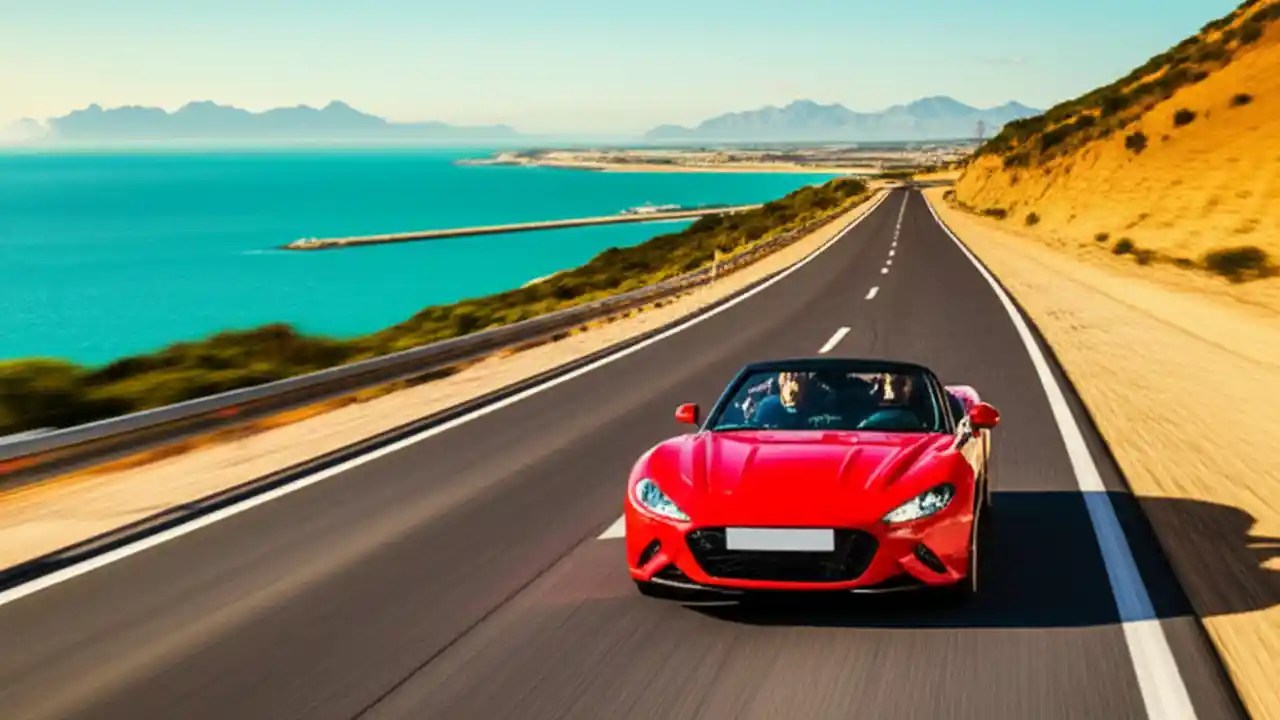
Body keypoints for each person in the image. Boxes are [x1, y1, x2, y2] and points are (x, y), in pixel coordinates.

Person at [751, 371, 832, 428]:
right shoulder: (768, 406)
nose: (792, 385)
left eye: (797, 380)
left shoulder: (823, 403)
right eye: (788, 380)